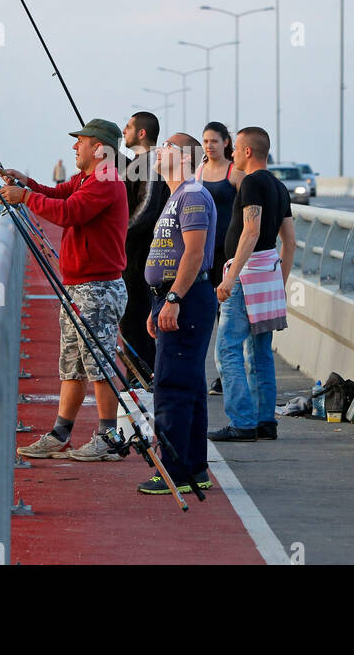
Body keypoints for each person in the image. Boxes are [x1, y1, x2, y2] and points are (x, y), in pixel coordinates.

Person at [0, 119, 130, 461]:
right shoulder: (88, 179)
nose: (75, 147)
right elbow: (59, 194)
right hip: (80, 288)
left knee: (100, 364)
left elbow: (69, 212)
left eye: (81, 142)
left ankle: (108, 438)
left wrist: (23, 196)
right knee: (73, 364)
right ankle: (61, 434)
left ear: (99, 148)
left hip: (98, 289)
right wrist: (28, 184)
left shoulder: (105, 180)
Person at [139, 133, 217, 495]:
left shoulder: (193, 195)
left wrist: (172, 298)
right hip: (173, 299)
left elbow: (195, 254)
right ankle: (193, 469)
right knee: (190, 387)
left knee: (171, 386)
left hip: (185, 299)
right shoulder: (176, 196)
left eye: (167, 146)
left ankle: (172, 472)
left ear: (185, 156)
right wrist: (159, 303)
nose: (158, 151)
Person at [209, 126, 295, 443]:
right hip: (267, 276)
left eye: (235, 150)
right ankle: (264, 422)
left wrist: (230, 277)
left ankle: (242, 423)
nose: (231, 155)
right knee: (260, 352)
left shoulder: (253, 183)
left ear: (247, 151)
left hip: (246, 276)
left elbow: (251, 231)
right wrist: (279, 282)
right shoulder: (279, 186)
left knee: (227, 350)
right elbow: (291, 242)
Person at [119, 112, 169, 383]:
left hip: (141, 256)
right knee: (132, 321)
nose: (123, 131)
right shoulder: (138, 163)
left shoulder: (149, 163)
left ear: (141, 133)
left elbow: (147, 209)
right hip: (135, 254)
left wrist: (118, 233)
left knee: (135, 320)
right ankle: (138, 378)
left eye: (128, 127)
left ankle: (141, 380)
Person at [199, 121, 242, 395]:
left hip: (229, 251)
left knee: (226, 315)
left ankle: (225, 376)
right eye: (205, 141)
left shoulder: (234, 172)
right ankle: (210, 372)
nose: (209, 146)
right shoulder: (198, 171)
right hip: (204, 251)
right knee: (205, 310)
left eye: (214, 141)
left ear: (226, 142)